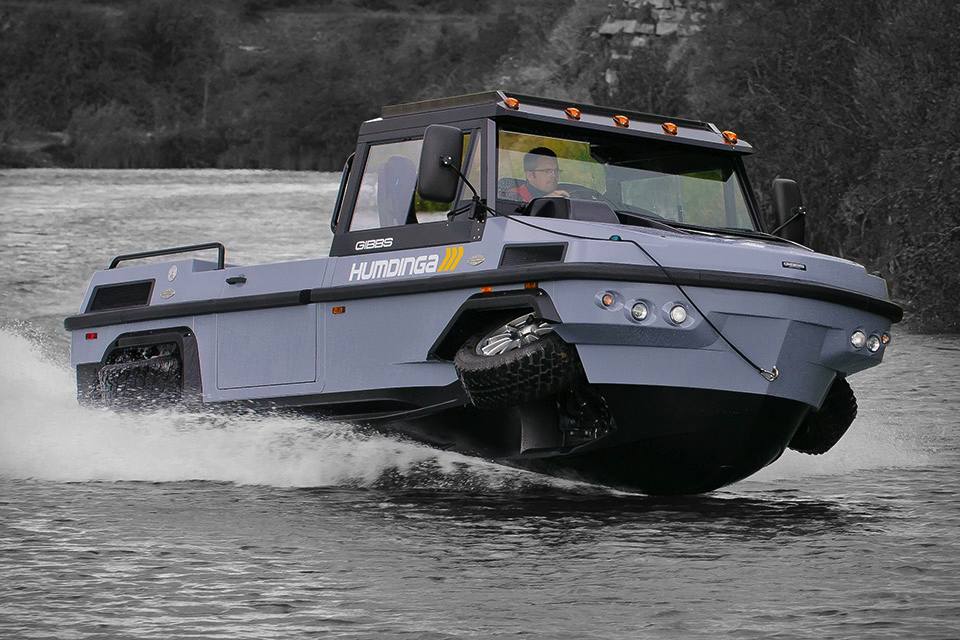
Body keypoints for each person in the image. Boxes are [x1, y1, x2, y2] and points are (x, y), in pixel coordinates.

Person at [502, 147, 571, 202]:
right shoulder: (513, 196)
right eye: (547, 171)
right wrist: (544, 202)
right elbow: (514, 215)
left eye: (556, 171)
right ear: (530, 175)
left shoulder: (568, 195)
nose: (554, 175)